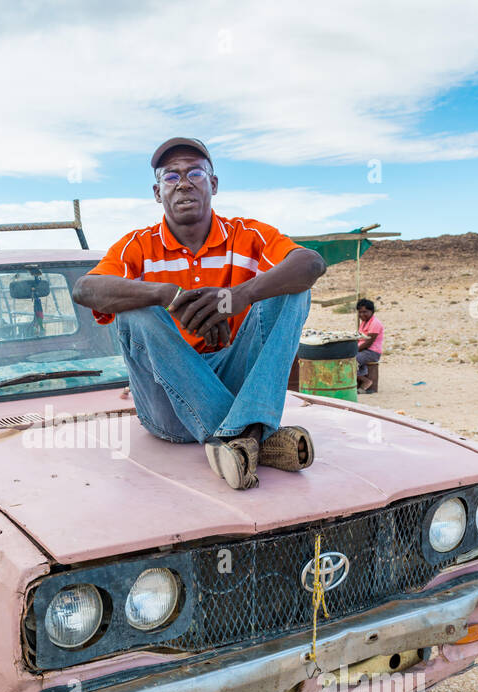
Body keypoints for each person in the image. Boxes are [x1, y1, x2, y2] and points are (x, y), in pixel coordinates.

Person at [71, 137, 327, 490]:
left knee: (293, 290)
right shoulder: (138, 245)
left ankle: (241, 439)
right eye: (171, 176)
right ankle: (253, 434)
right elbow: (85, 289)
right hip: (166, 406)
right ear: (158, 192)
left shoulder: (247, 235)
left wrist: (241, 294)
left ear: (214, 184)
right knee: (135, 312)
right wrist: (164, 294)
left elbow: (310, 263)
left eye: (194, 172)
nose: (184, 182)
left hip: (232, 375)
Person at [355, 298, 384, 391]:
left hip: (372, 352)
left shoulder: (375, 323)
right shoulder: (364, 322)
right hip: (364, 351)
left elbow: (368, 342)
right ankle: (360, 383)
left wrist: (354, 350)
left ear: (372, 311)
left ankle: (366, 381)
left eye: (365, 312)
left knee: (350, 361)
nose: (362, 315)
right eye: (360, 312)